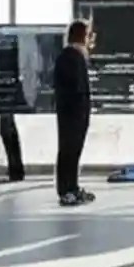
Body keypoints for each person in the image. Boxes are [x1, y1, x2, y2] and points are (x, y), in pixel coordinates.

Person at [54, 21, 94, 206]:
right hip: (71, 113)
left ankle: (72, 186)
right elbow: (73, 88)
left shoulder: (76, 55)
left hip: (77, 113)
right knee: (68, 151)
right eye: (87, 35)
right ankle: (66, 189)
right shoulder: (70, 56)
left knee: (74, 151)